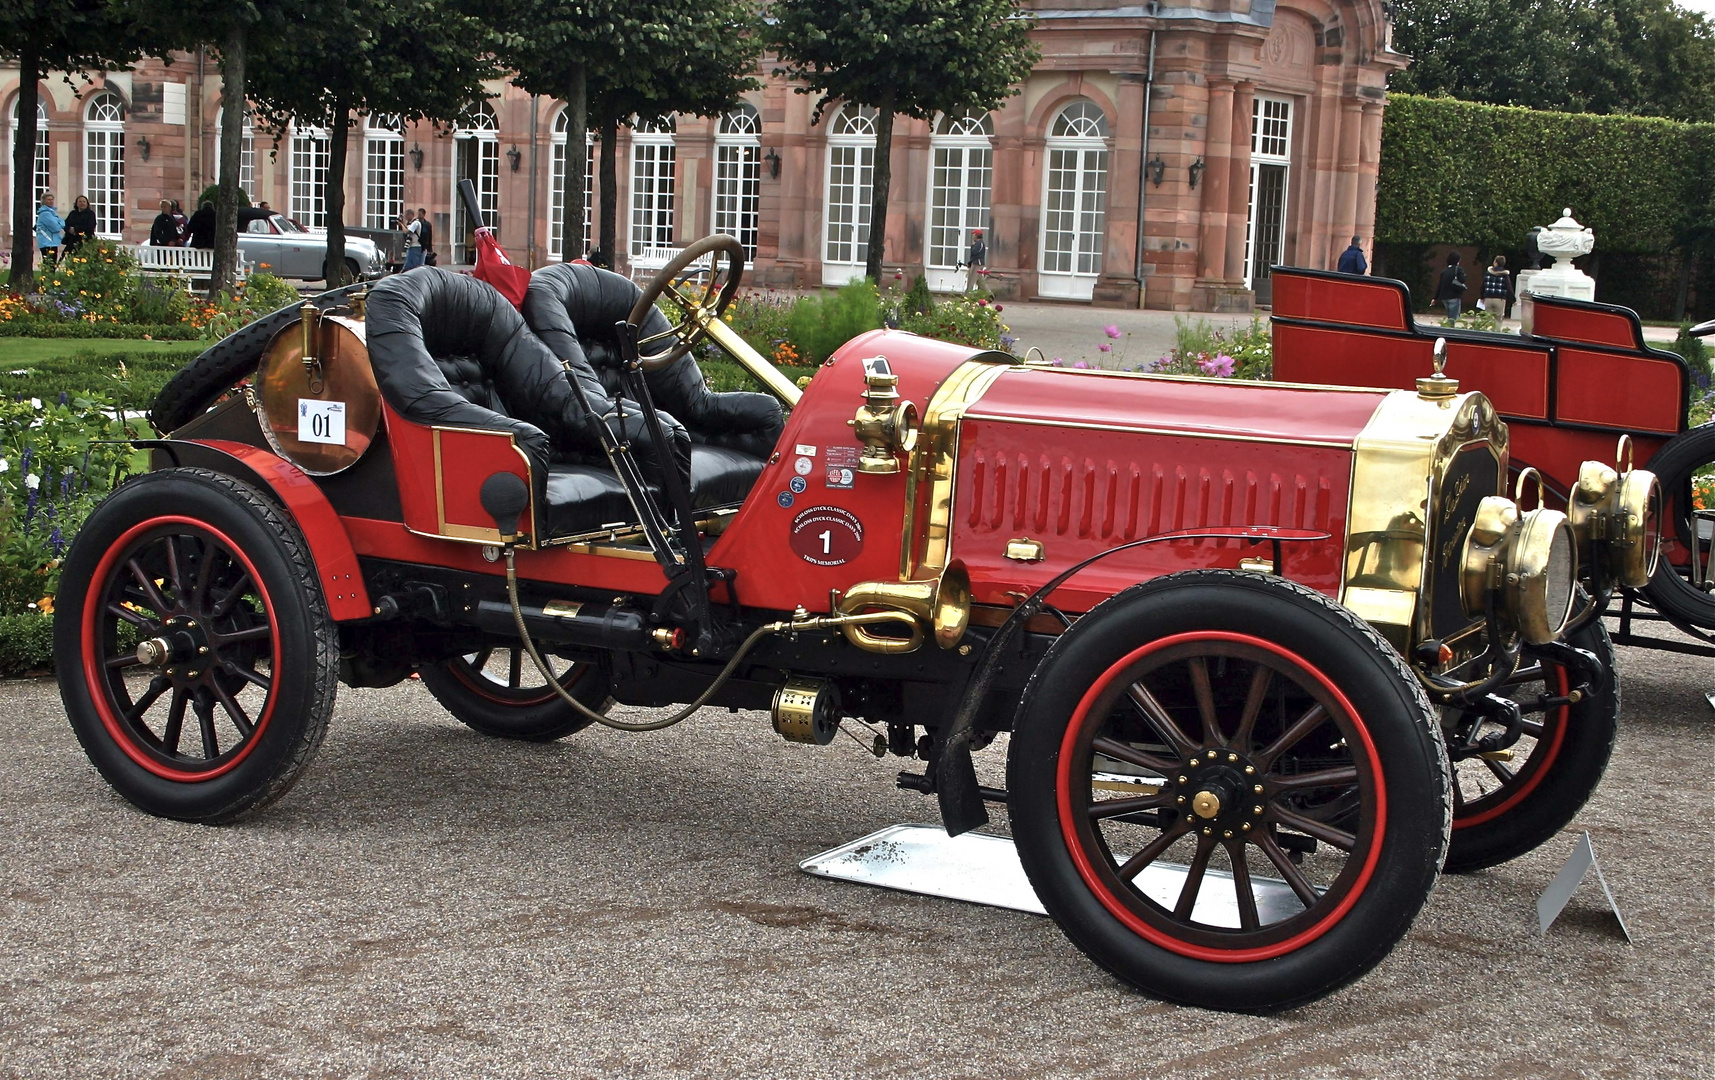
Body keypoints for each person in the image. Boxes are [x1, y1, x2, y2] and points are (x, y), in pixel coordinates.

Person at [1435, 251, 1467, 323]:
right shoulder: (1458, 269)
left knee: (1450, 316)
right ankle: (1450, 329)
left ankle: (1448, 327)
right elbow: (1462, 280)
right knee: (1453, 318)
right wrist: (1465, 276)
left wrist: (1435, 298)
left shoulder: (1444, 271)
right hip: (1454, 296)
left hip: (1444, 297)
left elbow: (1440, 285)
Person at [35, 193, 65, 267]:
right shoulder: (45, 214)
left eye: (52, 199)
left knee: (52, 263)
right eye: (48, 200)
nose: (51, 201)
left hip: (52, 242)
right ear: (43, 201)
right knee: (49, 264)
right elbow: (55, 228)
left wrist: (59, 223)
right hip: (47, 242)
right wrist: (59, 224)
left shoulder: (52, 212)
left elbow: (62, 222)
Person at [1481, 254, 1514, 321]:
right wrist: (1513, 299)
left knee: (1487, 320)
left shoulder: (1488, 273)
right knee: (1498, 320)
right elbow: (1509, 287)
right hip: (1499, 299)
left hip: (1488, 298)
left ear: (1496, 263)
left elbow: (1482, 286)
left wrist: (1482, 297)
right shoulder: (1505, 275)